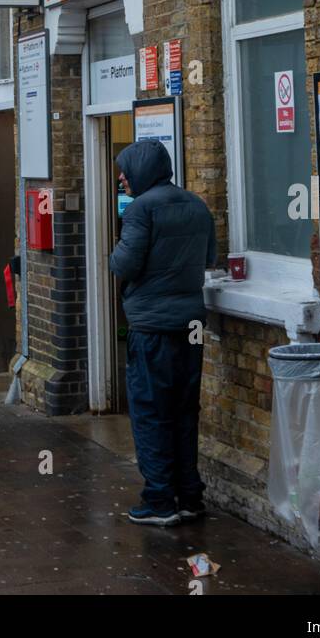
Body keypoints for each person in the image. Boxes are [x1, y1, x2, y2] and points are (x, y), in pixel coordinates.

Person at [109, 138, 217, 528]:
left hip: (153, 327)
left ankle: (159, 499)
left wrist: (113, 253)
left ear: (142, 169)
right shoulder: (196, 204)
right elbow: (209, 258)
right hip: (191, 326)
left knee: (151, 411)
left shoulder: (140, 209)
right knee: (185, 409)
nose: (120, 177)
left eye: (125, 169)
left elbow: (124, 264)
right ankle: (189, 496)